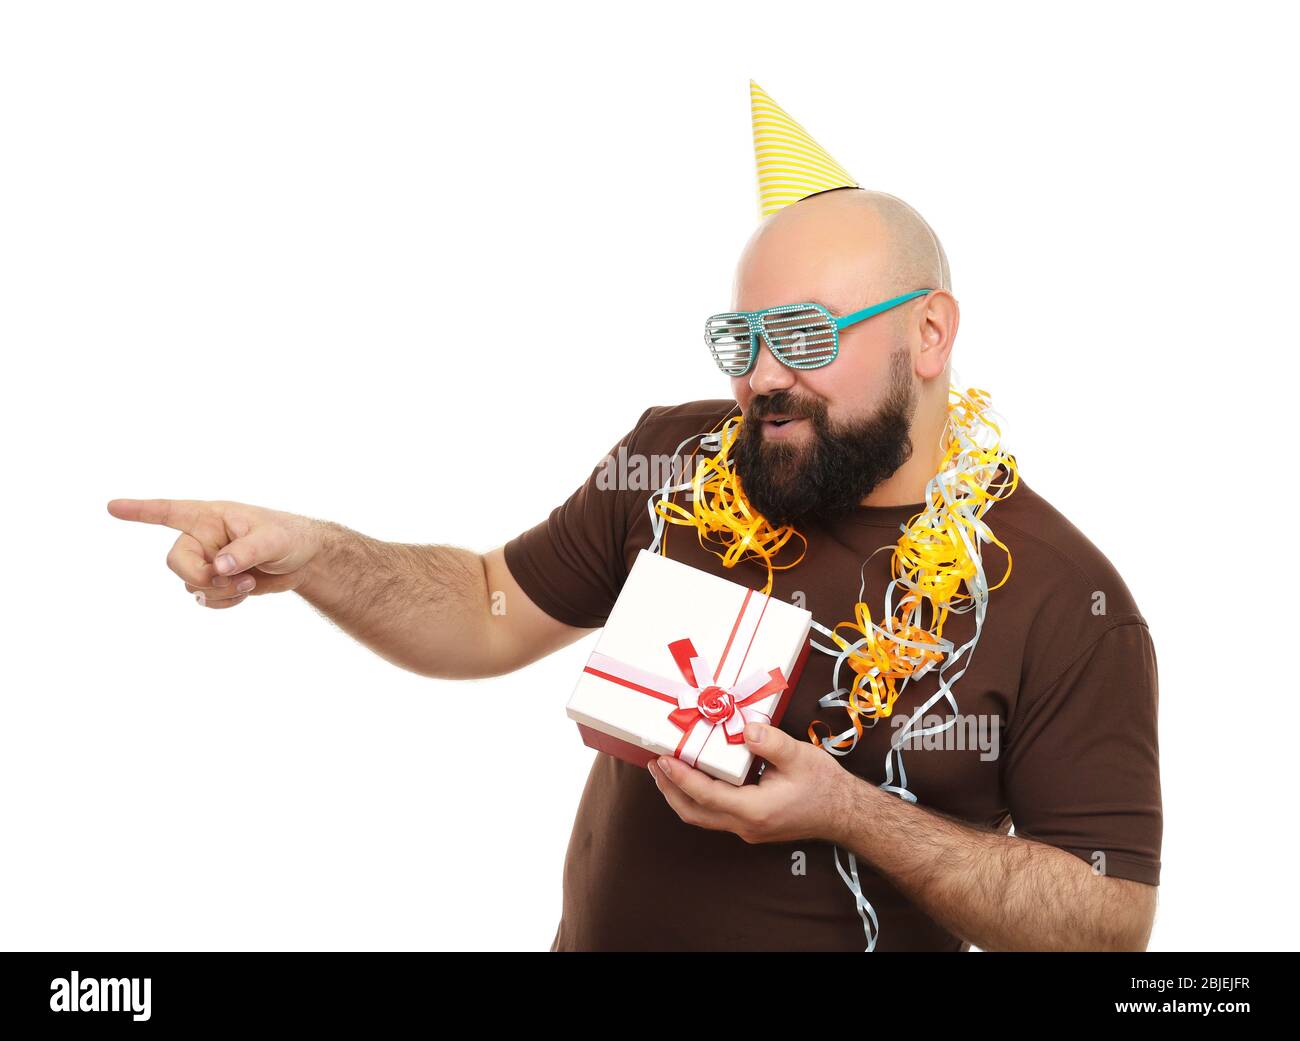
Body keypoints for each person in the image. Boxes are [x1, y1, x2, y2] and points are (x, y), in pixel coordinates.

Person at [108, 87, 1161, 952]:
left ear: (928, 334)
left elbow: (1109, 921)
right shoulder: (681, 456)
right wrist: (316, 556)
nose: (762, 378)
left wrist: (847, 813)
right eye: (738, 337)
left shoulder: (1061, 593)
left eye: (801, 333)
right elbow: (483, 611)